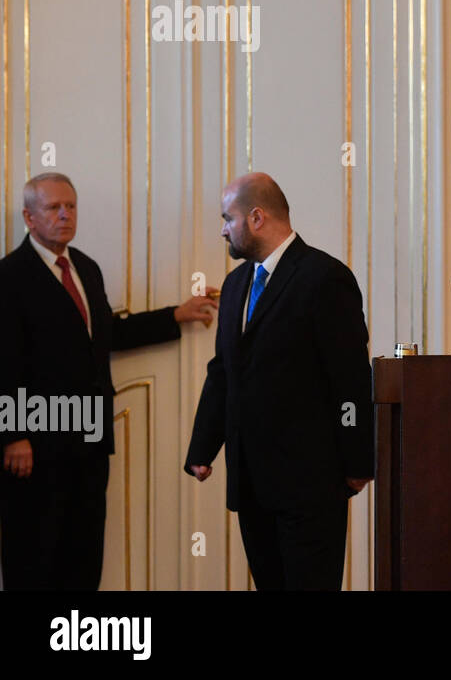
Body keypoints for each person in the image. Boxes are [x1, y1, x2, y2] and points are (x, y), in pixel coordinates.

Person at [0, 172, 217, 590]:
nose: (65, 214)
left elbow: (105, 336)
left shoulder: (85, 267)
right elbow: (4, 360)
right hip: (35, 447)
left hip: (89, 441)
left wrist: (175, 314)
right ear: (29, 217)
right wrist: (13, 436)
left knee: (83, 558)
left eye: (71, 206)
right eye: (53, 207)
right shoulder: (9, 276)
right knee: (34, 558)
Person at [184, 172, 373, 590]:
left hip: (311, 482)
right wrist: (203, 447)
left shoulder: (325, 278)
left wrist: (358, 460)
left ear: (256, 217)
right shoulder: (235, 286)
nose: (222, 229)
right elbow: (224, 372)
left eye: (227, 218)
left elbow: (350, 378)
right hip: (252, 482)